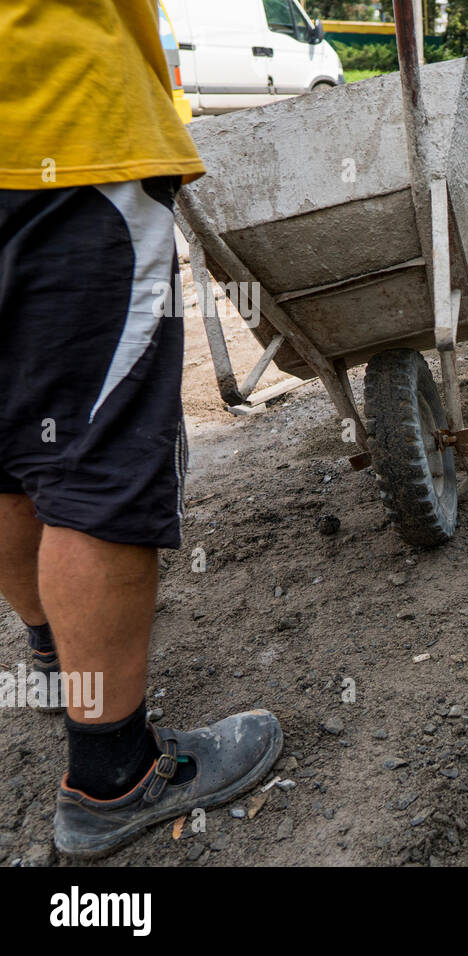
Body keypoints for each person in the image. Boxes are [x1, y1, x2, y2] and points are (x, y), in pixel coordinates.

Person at [0, 0, 282, 858]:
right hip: (59, 129)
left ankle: (58, 662)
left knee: (15, 449)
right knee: (96, 458)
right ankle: (113, 776)